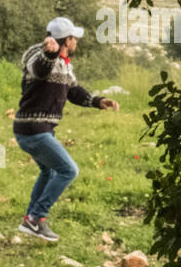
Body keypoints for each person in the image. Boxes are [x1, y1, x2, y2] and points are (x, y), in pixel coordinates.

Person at [13, 17, 119, 241]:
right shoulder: (40, 57)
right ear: (66, 40)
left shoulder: (64, 63)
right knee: (68, 170)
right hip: (34, 129)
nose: (77, 42)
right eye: (74, 38)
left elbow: (73, 91)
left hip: (38, 130)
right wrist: (49, 54)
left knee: (49, 171)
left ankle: (29, 220)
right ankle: (37, 218)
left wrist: (98, 101)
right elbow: (41, 70)